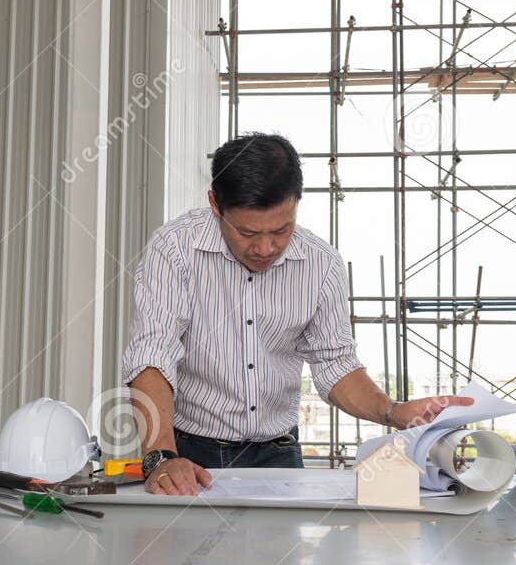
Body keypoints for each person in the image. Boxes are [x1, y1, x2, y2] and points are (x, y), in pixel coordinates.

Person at [122, 132, 473, 496]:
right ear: (215, 204)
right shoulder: (175, 248)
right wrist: (160, 456)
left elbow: (336, 365)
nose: (264, 248)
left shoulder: (322, 264)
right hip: (189, 454)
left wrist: (393, 411)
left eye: (281, 230)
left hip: (280, 454)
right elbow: (153, 354)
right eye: (246, 232)